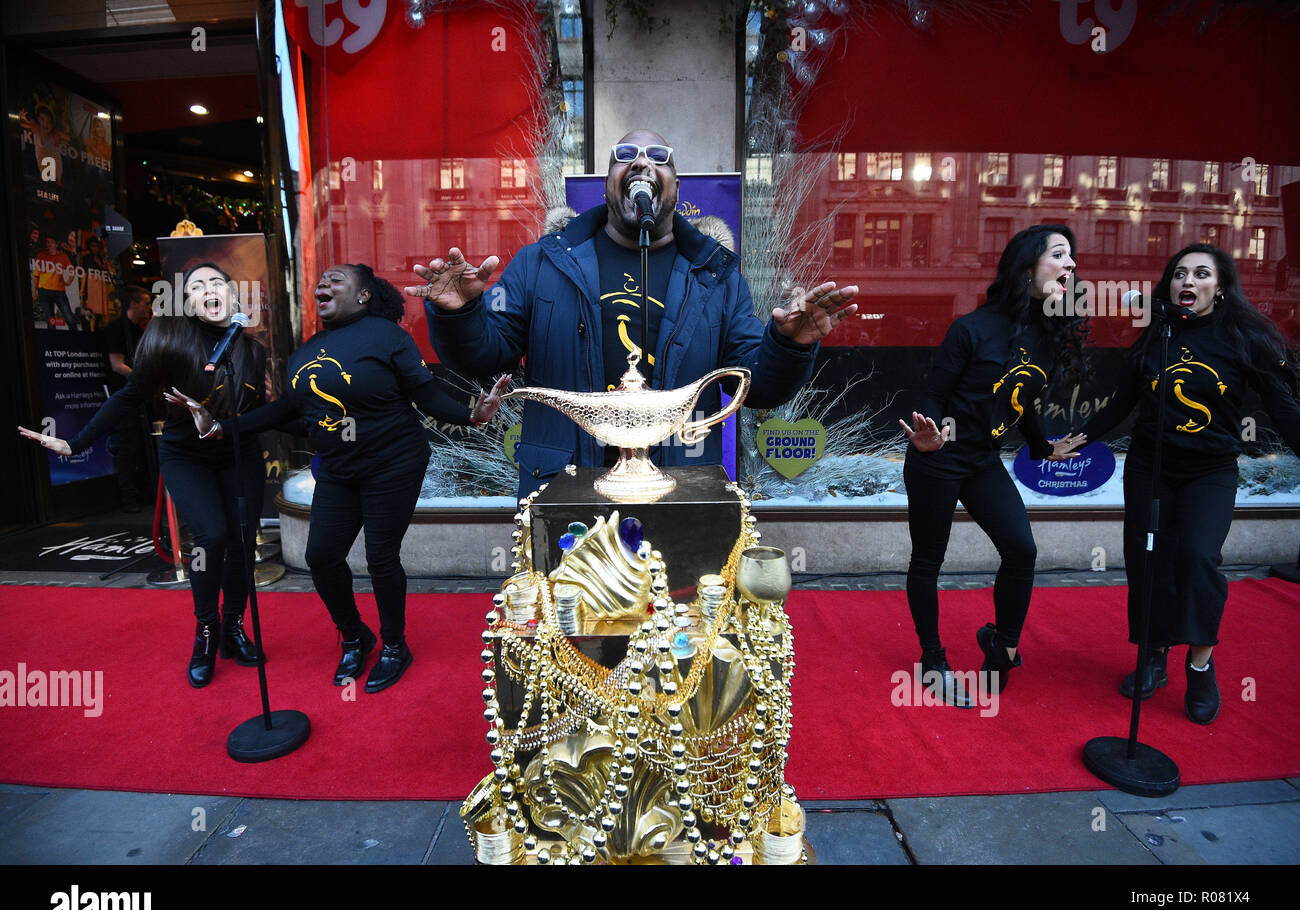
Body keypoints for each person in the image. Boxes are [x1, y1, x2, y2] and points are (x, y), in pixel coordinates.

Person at [407, 129, 859, 498]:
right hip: (565, 487)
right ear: (607, 183)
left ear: (676, 187)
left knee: (676, 609)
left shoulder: (717, 276)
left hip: (676, 486)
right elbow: (485, 356)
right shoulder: (541, 263)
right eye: (625, 155)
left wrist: (789, 345)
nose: (641, 163)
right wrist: (460, 314)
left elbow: (754, 386)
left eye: (658, 156)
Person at [173, 264, 510, 693]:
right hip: (337, 468)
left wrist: (472, 415)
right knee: (321, 556)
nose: (323, 284)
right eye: (321, 281)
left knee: (380, 557)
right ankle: (355, 635)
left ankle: (393, 646)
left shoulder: (388, 337)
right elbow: (285, 412)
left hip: (393, 462)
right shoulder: (307, 349)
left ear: (364, 295)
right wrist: (219, 426)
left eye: (336, 279)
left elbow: (424, 395)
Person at [1078, 244, 1300, 724]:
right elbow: (1122, 404)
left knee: (1199, 558)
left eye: (1201, 273)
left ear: (1219, 287)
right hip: (1150, 466)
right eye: (1180, 274)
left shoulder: (1242, 338)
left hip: (1210, 470)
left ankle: (1199, 665)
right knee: (1147, 560)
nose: (1188, 281)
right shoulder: (1157, 336)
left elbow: (1281, 406)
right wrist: (1074, 441)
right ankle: (1153, 652)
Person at [19, 261, 269, 687]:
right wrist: (75, 443)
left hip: (238, 453)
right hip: (187, 456)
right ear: (187, 302)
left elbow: (261, 411)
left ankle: (233, 627)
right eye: (196, 287)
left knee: (244, 543)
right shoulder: (172, 343)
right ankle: (205, 633)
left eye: (216, 283)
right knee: (211, 537)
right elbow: (130, 396)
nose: (208, 290)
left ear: (233, 295)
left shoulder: (252, 349)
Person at [899, 225, 1091, 704]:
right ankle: (932, 659)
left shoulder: (1044, 336)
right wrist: (929, 434)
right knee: (929, 559)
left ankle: (1002, 646)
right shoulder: (972, 328)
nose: (1071, 266)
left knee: (1021, 551)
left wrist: (1043, 449)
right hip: (938, 458)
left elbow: (1021, 402)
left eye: (1073, 258)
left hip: (983, 460)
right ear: (1027, 266)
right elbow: (933, 393)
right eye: (1060, 255)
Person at [101, 285, 155, 511]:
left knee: (143, 444)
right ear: (133, 303)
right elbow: (117, 365)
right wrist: (141, 378)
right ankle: (129, 498)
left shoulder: (138, 331)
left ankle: (145, 493)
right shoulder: (117, 330)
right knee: (127, 445)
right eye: (145, 302)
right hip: (123, 396)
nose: (148, 307)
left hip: (139, 394)